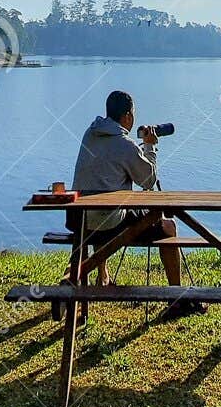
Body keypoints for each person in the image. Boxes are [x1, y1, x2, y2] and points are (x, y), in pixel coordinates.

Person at [73, 90, 205, 320]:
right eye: (132, 114)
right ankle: (177, 297)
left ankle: (102, 276)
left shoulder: (90, 133)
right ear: (126, 117)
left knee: (100, 203)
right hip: (108, 223)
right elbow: (148, 181)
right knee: (168, 226)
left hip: (80, 219)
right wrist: (150, 146)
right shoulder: (125, 145)